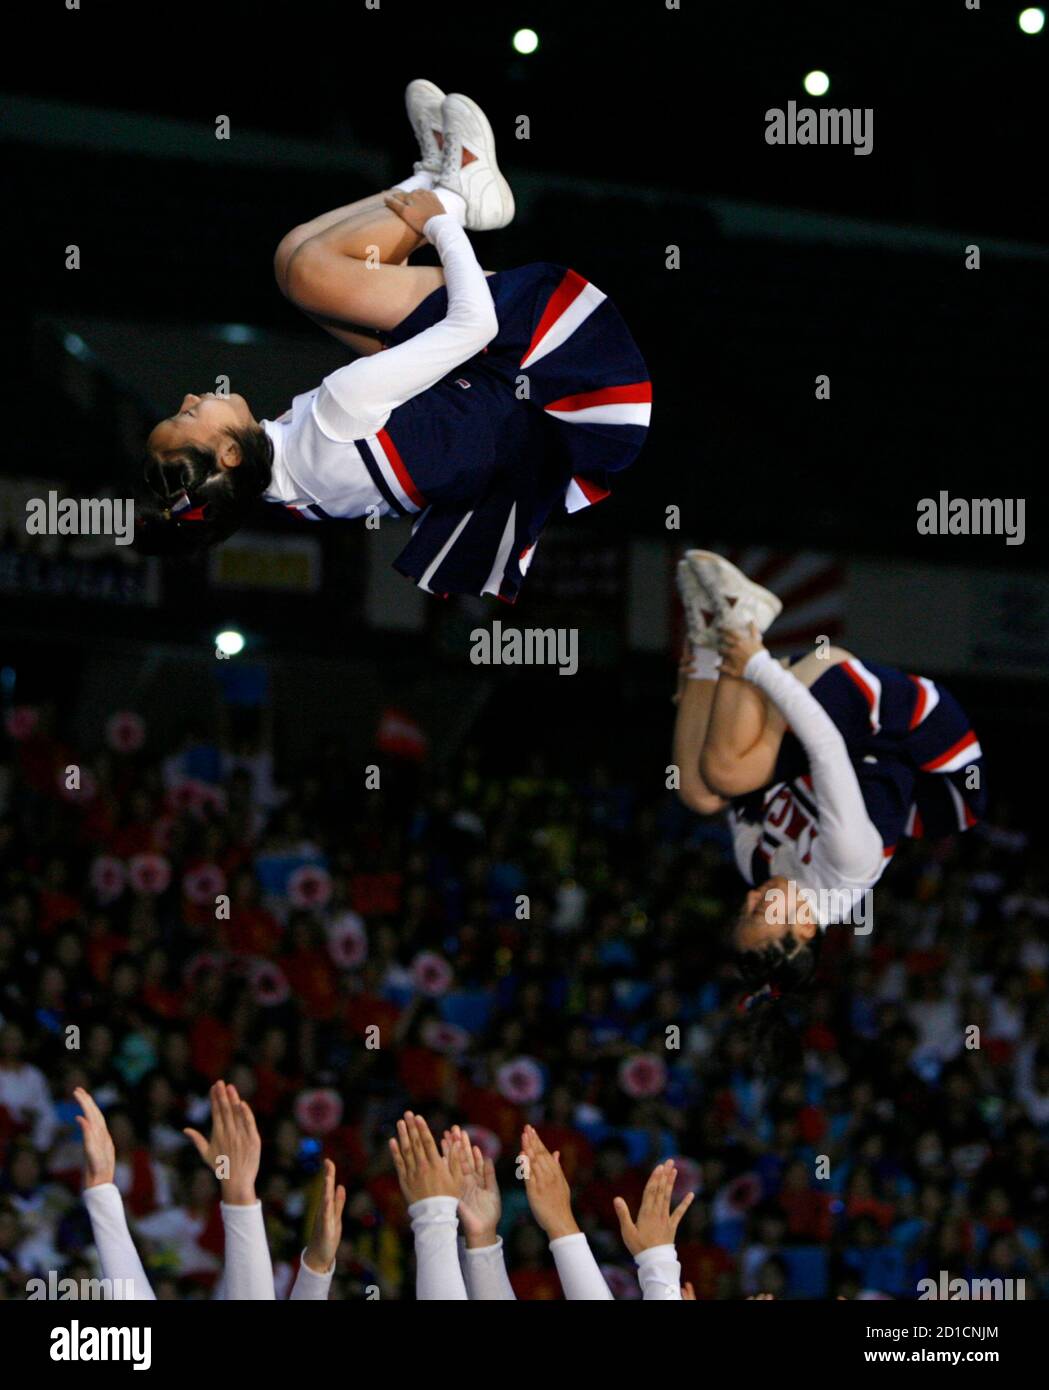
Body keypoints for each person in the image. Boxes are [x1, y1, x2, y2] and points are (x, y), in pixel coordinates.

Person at [137, 81, 650, 603]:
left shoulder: (292, 490)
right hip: (554, 369)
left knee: (296, 263)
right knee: (306, 272)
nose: (188, 400)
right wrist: (442, 226)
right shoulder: (333, 415)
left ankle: (429, 178)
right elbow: (476, 326)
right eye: (184, 417)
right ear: (228, 453)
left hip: (508, 405)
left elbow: (407, 403)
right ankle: (461, 194)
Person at [672, 550, 986, 1002]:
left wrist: (695, 696)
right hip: (900, 725)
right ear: (802, 925)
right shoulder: (846, 868)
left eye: (744, 911)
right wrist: (755, 662)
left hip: (817, 711)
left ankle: (706, 638)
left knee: (700, 793)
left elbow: (721, 778)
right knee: (726, 771)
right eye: (760, 911)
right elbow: (825, 747)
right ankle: (741, 624)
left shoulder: (760, 869)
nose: (750, 898)